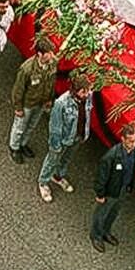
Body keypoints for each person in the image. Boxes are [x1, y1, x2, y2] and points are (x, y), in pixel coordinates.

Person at [39, 74, 93, 202]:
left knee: (66, 159)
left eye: (88, 91)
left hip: (77, 137)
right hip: (63, 138)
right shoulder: (61, 103)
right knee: (52, 160)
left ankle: (58, 176)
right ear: (76, 90)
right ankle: (43, 182)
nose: (87, 94)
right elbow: (55, 127)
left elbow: (87, 114)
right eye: (84, 91)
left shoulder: (88, 96)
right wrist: (55, 146)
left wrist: (85, 134)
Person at [91, 123, 135, 251]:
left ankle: (106, 232)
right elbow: (101, 176)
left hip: (123, 189)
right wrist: (100, 194)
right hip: (111, 191)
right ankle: (96, 236)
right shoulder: (111, 156)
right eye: (131, 141)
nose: (134, 144)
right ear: (123, 139)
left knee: (114, 212)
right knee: (101, 213)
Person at [9, 39, 58, 163]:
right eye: (49, 53)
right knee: (20, 126)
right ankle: (14, 147)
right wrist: (18, 108)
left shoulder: (52, 64)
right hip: (28, 104)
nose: (52, 56)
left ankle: (23, 144)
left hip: (41, 103)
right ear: (40, 54)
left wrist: (49, 99)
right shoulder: (27, 69)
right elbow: (18, 90)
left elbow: (52, 83)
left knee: (31, 126)